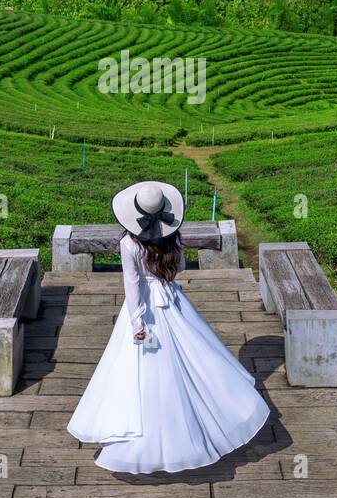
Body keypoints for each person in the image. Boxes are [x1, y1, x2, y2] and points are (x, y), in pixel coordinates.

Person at [66, 180, 270, 473]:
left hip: (145, 309)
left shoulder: (128, 243)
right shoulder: (173, 235)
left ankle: (145, 436)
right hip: (171, 300)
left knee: (140, 371)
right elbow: (181, 269)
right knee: (197, 359)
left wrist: (138, 324)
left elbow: (133, 287)